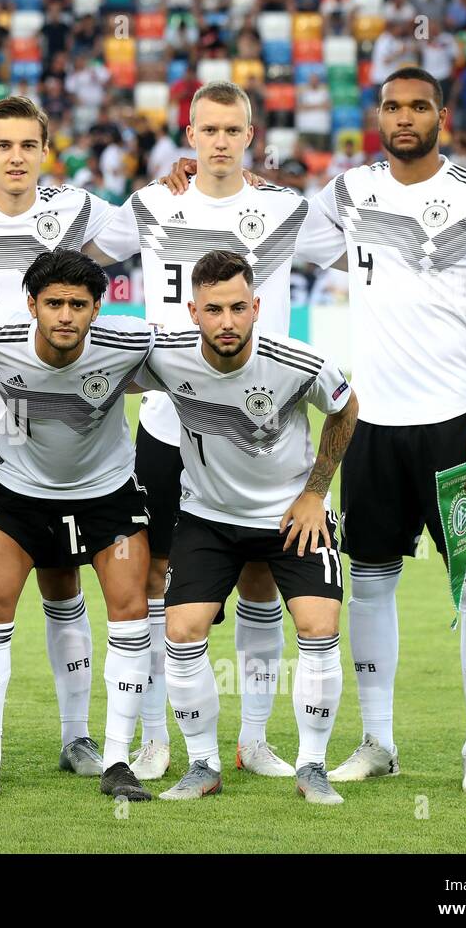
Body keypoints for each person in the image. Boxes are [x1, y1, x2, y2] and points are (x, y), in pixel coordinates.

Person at [91, 80, 347, 781]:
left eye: (234, 130)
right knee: (156, 584)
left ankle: (254, 739)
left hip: (261, 425)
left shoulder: (283, 208)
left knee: (264, 581)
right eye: (210, 130)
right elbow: (79, 244)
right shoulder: (153, 202)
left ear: (251, 135)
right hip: (169, 423)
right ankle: (155, 738)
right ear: (191, 133)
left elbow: (362, 252)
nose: (222, 141)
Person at [310, 67, 466, 794]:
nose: (405, 118)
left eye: (419, 107)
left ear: (441, 115)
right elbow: (268, 223)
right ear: (379, 115)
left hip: (455, 427)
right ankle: (377, 742)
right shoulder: (348, 190)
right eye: (393, 106)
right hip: (368, 424)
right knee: (368, 583)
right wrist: (205, 176)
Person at [0, 96, 121, 779]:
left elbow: (150, 229)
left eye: (27, 145)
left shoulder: (81, 210)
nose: (14, 157)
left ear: (46, 150)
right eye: (1, 145)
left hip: (48, 422)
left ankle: (77, 735)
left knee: (62, 579)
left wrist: (183, 174)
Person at [134, 250, 358, 804]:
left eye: (238, 307)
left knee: (319, 625)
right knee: (181, 630)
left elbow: (346, 407)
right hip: (208, 516)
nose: (227, 322)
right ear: (193, 311)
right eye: (213, 310)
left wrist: (315, 492)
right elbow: (93, 354)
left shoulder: (297, 361)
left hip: (291, 514)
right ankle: (203, 763)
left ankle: (312, 766)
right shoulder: (168, 358)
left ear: (257, 306)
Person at [0, 250, 155, 804]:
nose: (66, 315)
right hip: (19, 494)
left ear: (96, 310)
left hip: (107, 496)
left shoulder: (129, 344)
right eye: (54, 303)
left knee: (132, 612)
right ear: (31, 305)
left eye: (78, 305)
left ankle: (115, 760)